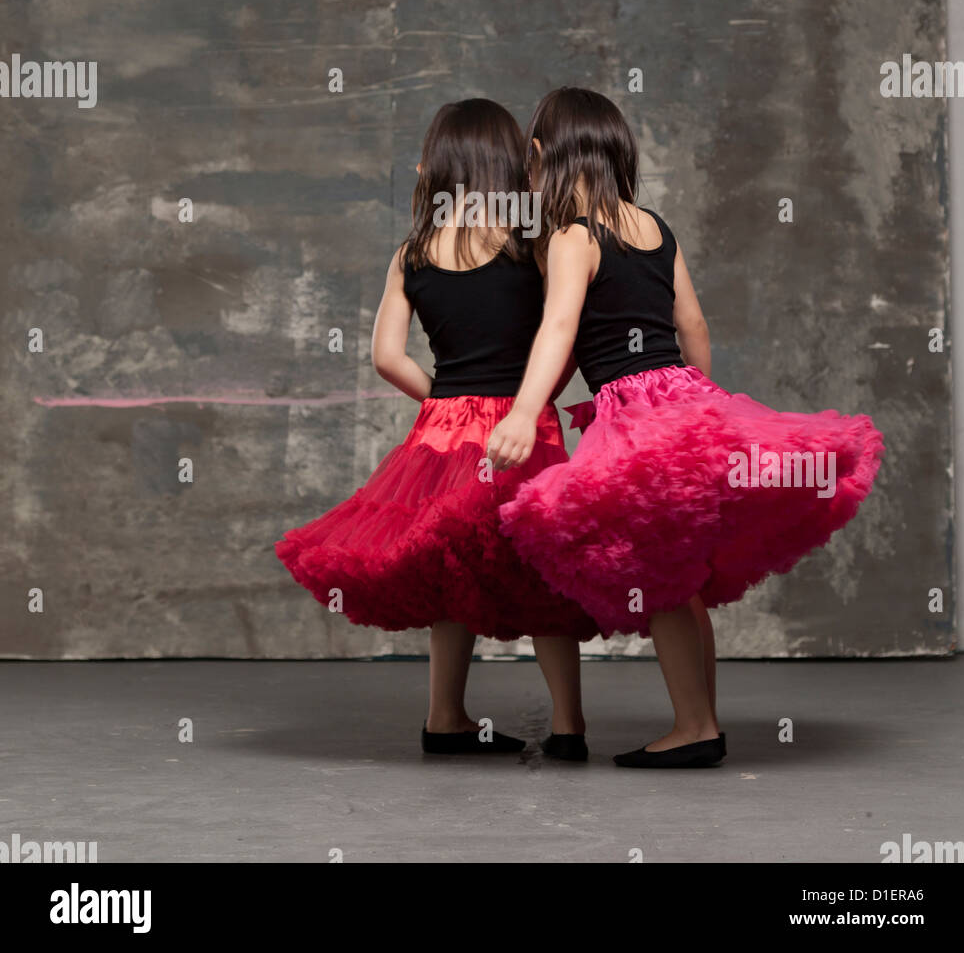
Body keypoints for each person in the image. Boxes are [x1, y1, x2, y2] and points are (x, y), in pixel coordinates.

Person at [489, 87, 884, 768]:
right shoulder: (655, 227)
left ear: (543, 155)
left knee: (662, 579)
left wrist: (525, 411)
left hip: (632, 413)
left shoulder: (572, 237)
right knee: (681, 579)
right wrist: (701, 409)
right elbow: (692, 324)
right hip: (683, 395)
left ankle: (695, 728)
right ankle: (703, 719)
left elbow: (558, 328)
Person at [276, 98, 597, 759]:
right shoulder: (534, 242)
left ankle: (444, 718)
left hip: (442, 435)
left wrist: (445, 401)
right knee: (542, 571)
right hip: (522, 426)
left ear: (439, 165)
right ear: (508, 163)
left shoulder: (412, 252)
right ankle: (569, 727)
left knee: (452, 565)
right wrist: (532, 401)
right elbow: (563, 330)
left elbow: (386, 357)